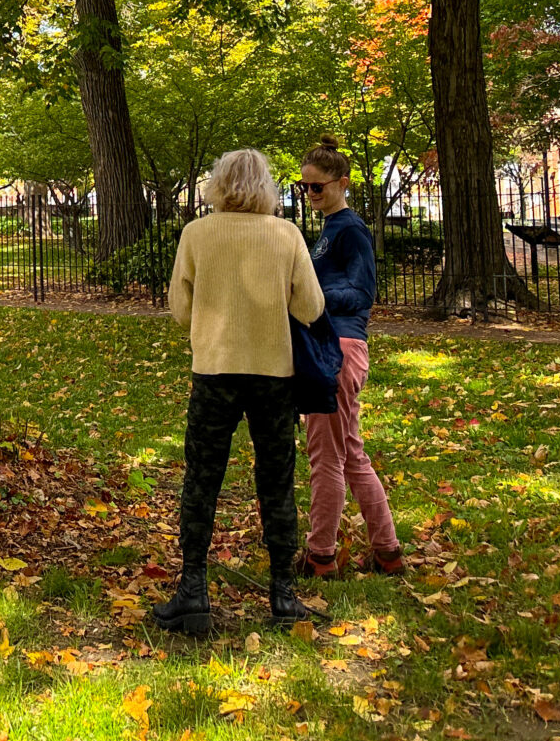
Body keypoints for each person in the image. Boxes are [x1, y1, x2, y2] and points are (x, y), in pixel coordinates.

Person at [153, 147, 327, 636]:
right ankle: (283, 593)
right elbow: (311, 308)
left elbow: (180, 310)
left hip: (214, 372)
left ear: (218, 184)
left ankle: (193, 590)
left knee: (201, 480)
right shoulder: (285, 234)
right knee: (276, 479)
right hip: (274, 375)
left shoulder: (197, 235)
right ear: (266, 186)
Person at [297, 137, 403, 578]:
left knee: (326, 456)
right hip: (333, 348)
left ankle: (320, 556)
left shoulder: (351, 229)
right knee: (351, 454)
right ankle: (388, 553)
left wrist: (309, 295)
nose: (309, 195)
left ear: (342, 183)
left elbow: (362, 293)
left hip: (338, 351)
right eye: (303, 187)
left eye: (317, 187)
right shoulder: (330, 228)